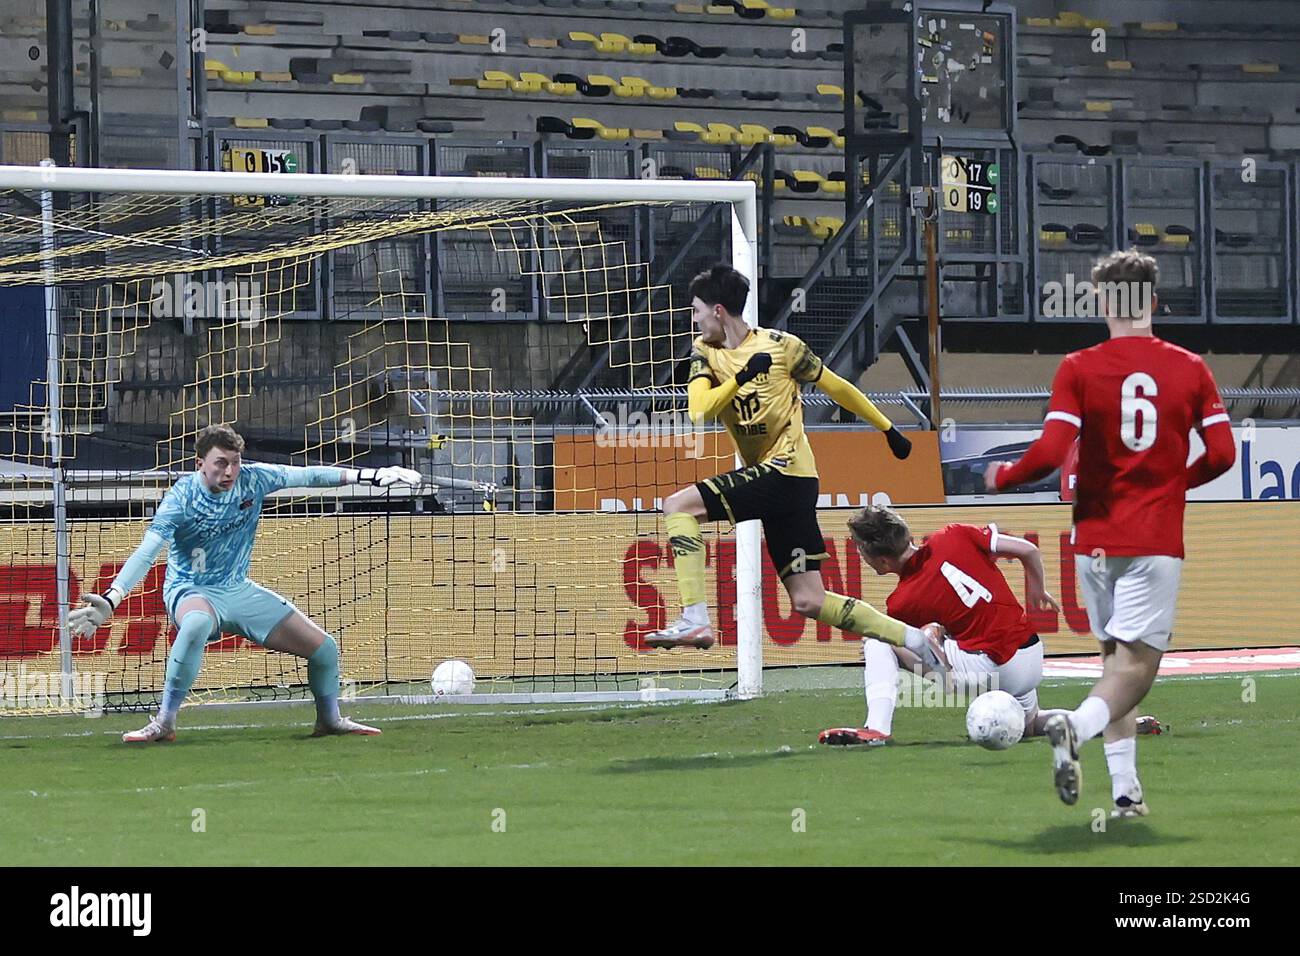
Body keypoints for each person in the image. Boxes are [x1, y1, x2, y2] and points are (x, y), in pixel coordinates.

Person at [985, 248, 1235, 816]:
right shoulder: (1189, 367)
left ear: (1102, 301)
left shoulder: (1078, 366)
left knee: (1112, 664)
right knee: (1137, 669)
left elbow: (1050, 452)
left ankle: (1126, 793)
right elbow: (1222, 454)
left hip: (1093, 538)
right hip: (1152, 539)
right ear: (1151, 301)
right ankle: (1073, 728)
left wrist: (1004, 475)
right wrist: (1175, 482)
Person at [643, 265, 944, 666]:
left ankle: (695, 618)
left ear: (717, 310)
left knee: (678, 506)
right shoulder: (705, 353)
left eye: (695, 310)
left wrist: (887, 428)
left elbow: (836, 385)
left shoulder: (784, 347)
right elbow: (699, 410)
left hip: (788, 472)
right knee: (809, 600)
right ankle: (918, 641)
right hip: (785, 485)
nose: (692, 319)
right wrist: (742, 378)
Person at [69, 424, 424, 742]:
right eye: (221, 463)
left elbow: (309, 476)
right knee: (194, 625)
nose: (230, 471)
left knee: (324, 649)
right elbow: (147, 552)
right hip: (190, 590)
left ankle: (329, 720)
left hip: (237, 590)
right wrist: (112, 598)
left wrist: (370, 475)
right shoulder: (180, 499)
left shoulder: (254, 479)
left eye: (235, 462)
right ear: (199, 464)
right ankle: (164, 721)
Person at [821, 505, 1164, 746]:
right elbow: (1028, 550)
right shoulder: (954, 535)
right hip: (1029, 653)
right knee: (1029, 726)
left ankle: (876, 729)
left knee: (879, 640)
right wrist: (1037, 588)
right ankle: (1114, 722)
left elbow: (927, 643)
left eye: (863, 554)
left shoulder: (902, 601)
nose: (863, 560)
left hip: (992, 665)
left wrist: (936, 649)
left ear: (880, 559)